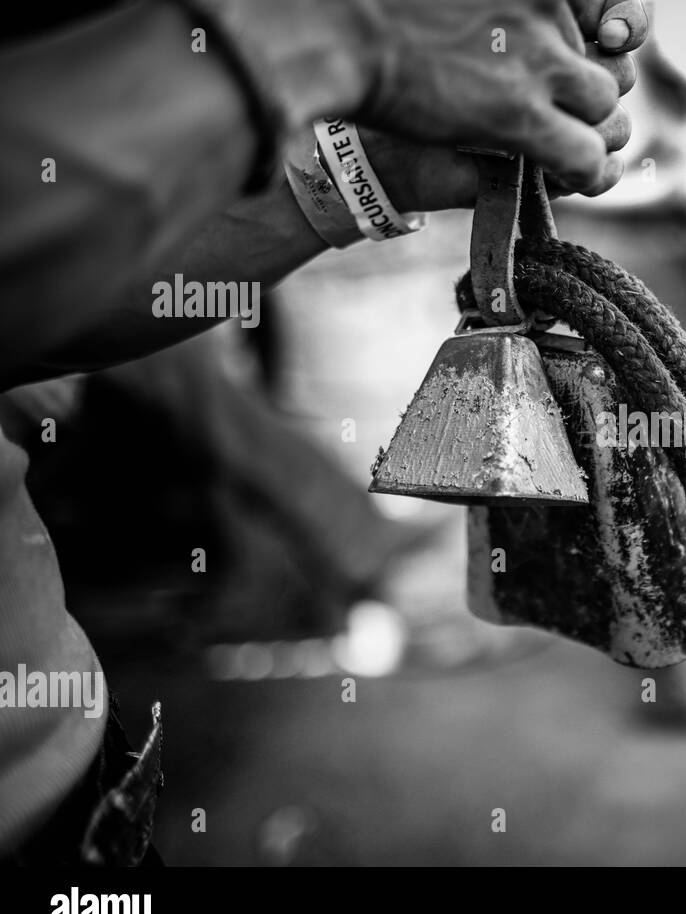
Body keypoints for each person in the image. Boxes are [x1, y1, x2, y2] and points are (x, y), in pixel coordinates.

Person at [0, 0, 649, 863]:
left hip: (77, 794)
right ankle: (351, 559)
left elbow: (46, 304)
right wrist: (357, 34)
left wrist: (361, 176)